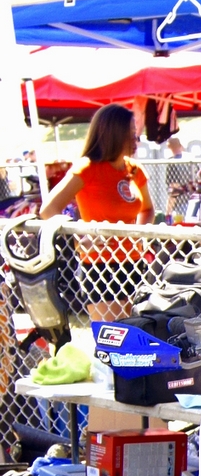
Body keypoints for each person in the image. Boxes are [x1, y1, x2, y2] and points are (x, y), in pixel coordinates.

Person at [40, 102, 154, 320]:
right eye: (130, 133)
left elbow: (147, 209)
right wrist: (78, 238)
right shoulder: (88, 168)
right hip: (100, 265)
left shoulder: (134, 170)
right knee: (112, 333)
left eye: (135, 132)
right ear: (114, 134)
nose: (136, 139)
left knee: (135, 330)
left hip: (134, 263)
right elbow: (48, 209)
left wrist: (139, 236)